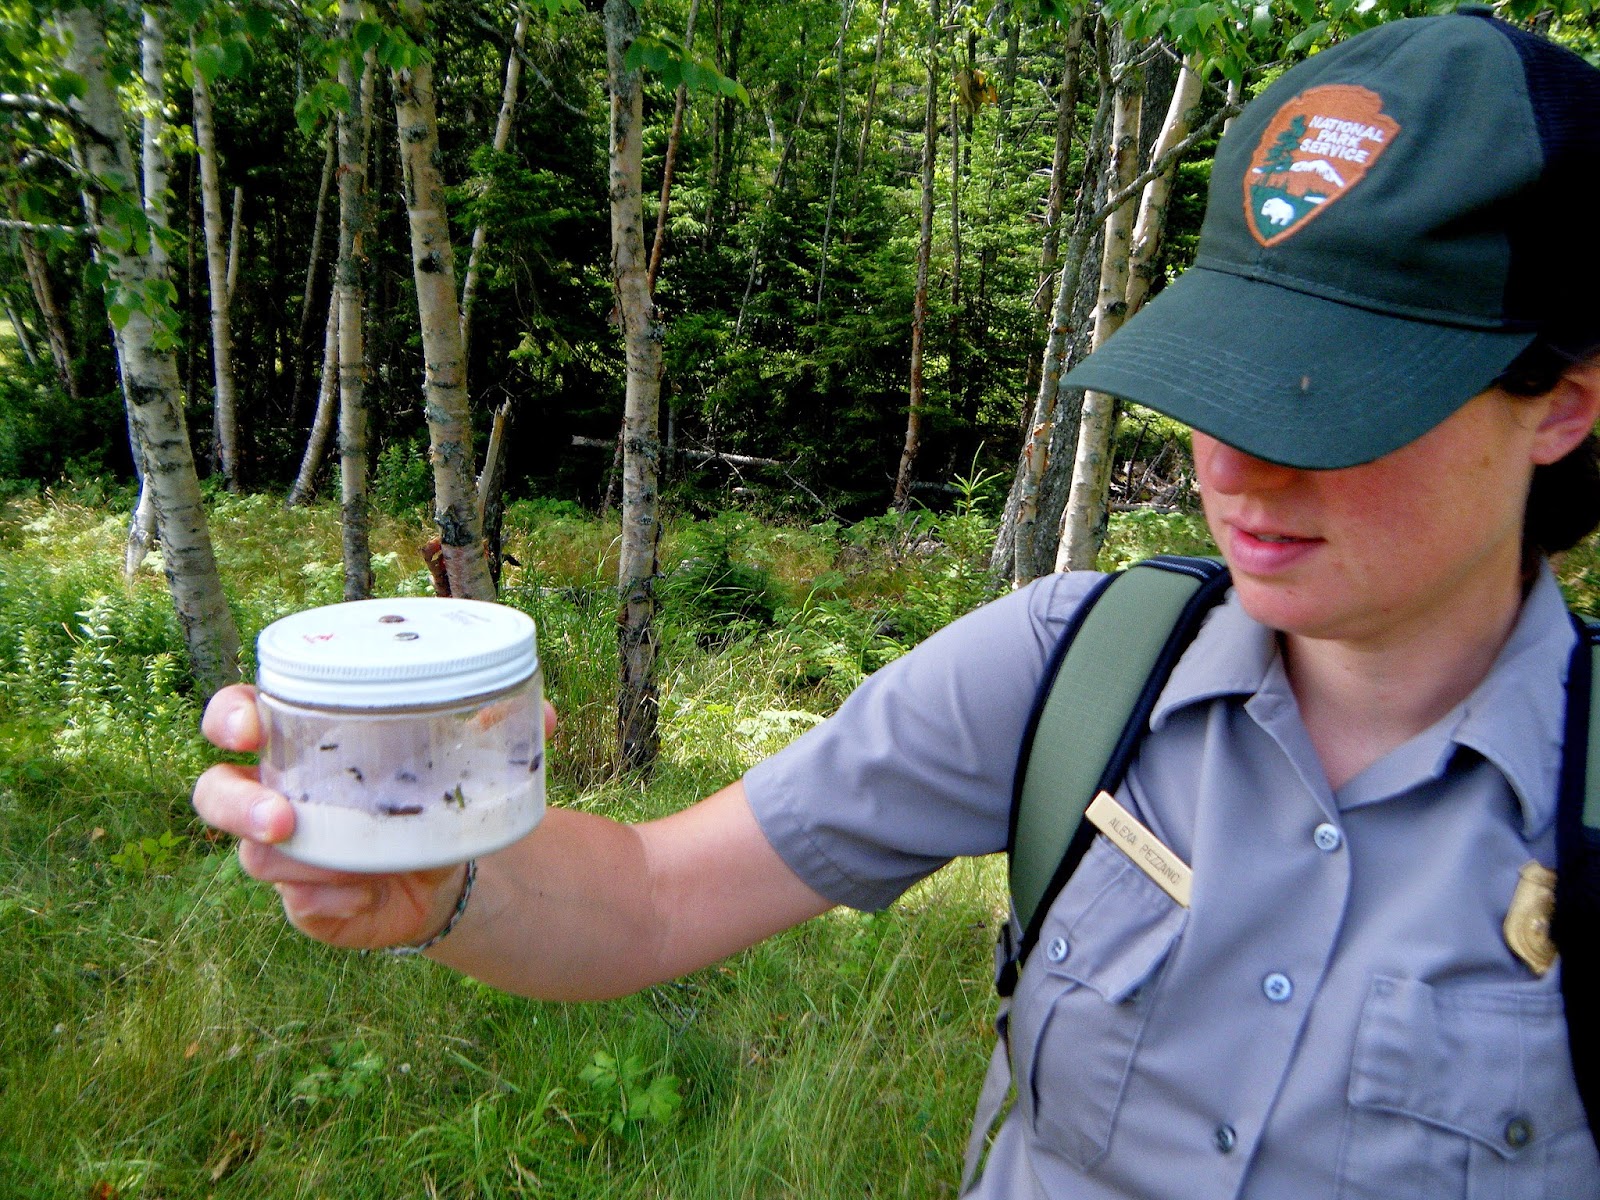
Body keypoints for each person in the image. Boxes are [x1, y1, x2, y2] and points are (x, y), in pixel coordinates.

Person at [194, 11, 1600, 1196]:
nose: (1232, 463)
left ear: (1565, 405)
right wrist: (439, 881)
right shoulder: (1079, 668)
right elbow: (653, 898)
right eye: (1225, 375)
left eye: (1332, 399)